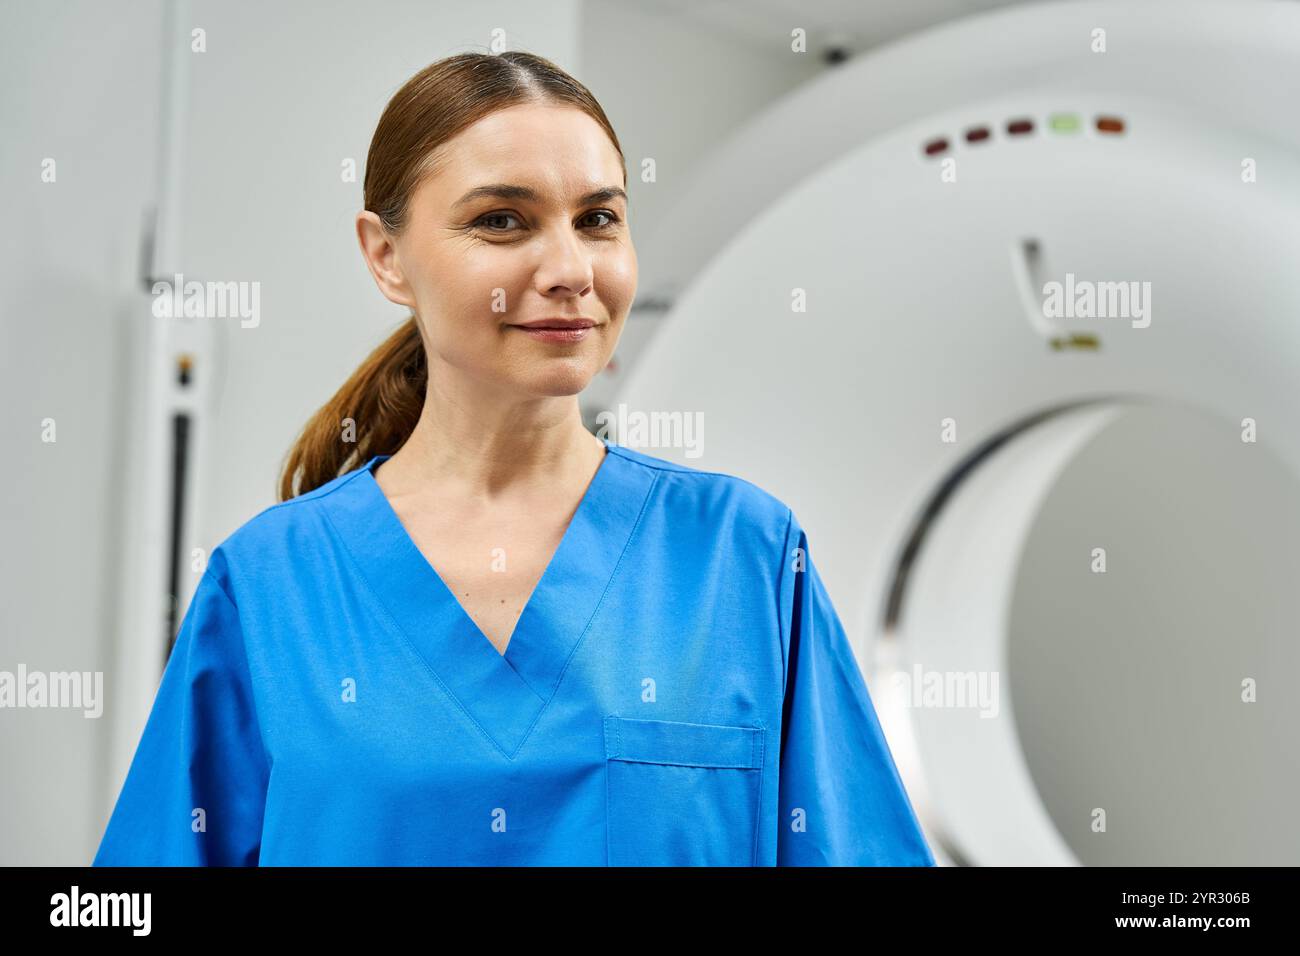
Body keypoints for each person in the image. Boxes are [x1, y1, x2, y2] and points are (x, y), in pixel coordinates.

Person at [92, 50, 935, 867]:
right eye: (502, 220)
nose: (570, 269)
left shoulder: (741, 555)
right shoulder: (272, 582)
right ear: (386, 255)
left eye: (598, 220)